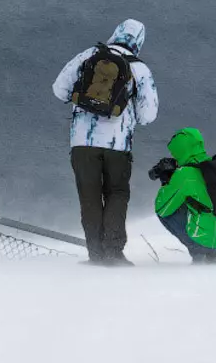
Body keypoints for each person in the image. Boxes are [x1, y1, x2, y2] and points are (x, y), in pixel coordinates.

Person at [52, 19, 158, 265]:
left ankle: (96, 256)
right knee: (117, 194)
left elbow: (59, 89)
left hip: (82, 143)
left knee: (89, 197)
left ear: (116, 32)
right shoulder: (139, 69)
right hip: (118, 145)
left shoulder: (89, 55)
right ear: (139, 41)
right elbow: (148, 115)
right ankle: (114, 252)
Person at [152, 127, 216, 263]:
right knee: (208, 205)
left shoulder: (185, 174)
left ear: (179, 152)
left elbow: (162, 208)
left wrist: (166, 182)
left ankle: (201, 254)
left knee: (168, 211)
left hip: (208, 239)